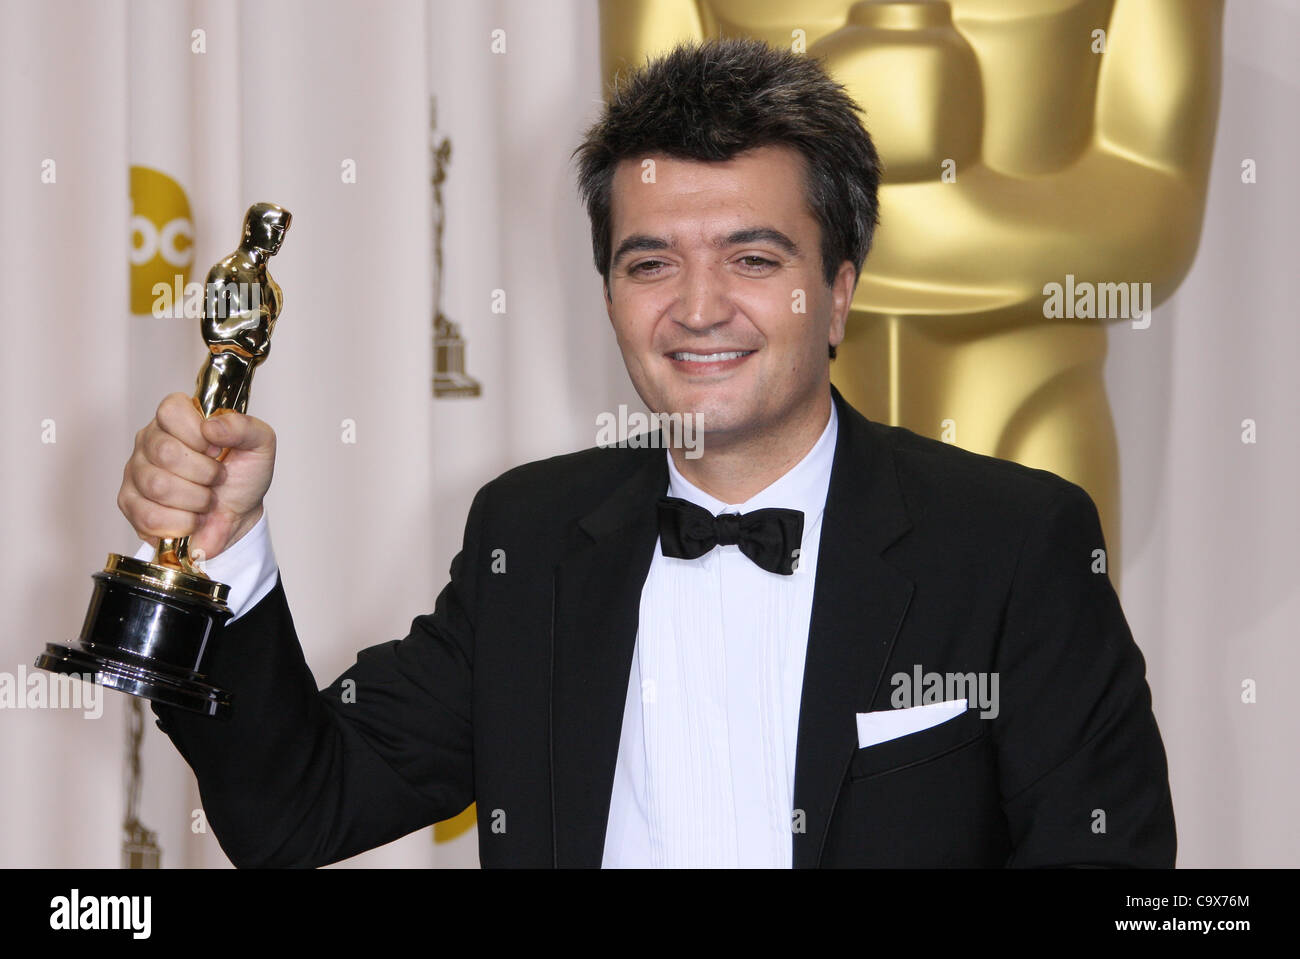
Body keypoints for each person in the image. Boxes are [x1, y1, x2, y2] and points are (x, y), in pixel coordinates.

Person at [116, 38, 1175, 868]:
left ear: (840, 288)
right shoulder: (527, 539)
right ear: (610, 293)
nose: (698, 307)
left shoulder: (1012, 542)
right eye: (650, 262)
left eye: (752, 257)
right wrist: (225, 552)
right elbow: (297, 807)